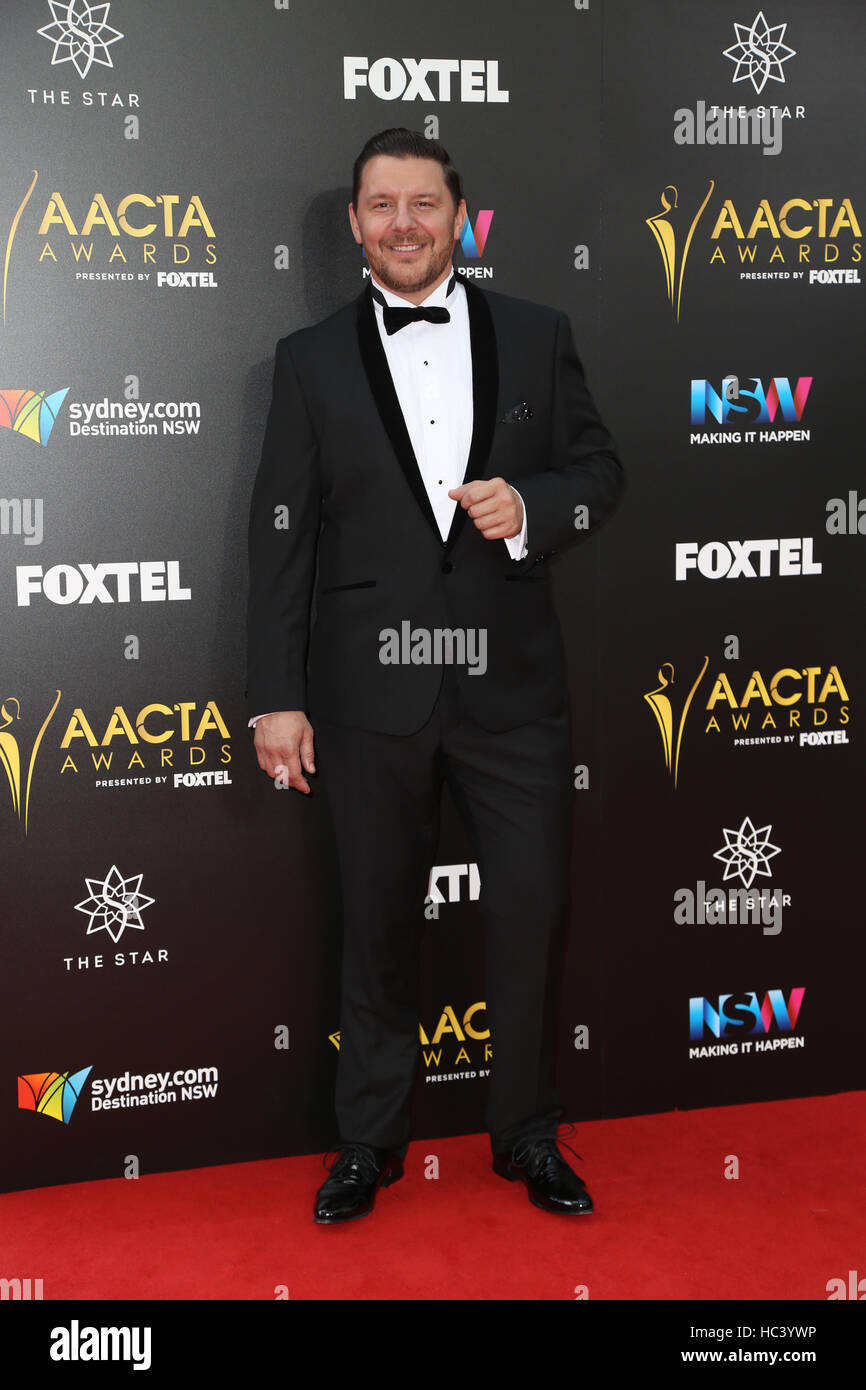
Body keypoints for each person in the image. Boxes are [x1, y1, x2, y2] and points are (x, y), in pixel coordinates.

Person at [246, 127, 624, 1223]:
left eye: (423, 202)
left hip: (511, 691)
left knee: (527, 908)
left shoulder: (537, 332)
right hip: (369, 697)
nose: (403, 223)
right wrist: (278, 693)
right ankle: (366, 1139)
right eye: (381, 205)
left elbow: (601, 468)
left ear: (459, 215)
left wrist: (535, 511)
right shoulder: (306, 358)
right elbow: (281, 537)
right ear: (357, 223)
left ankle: (525, 1133)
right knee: (372, 921)